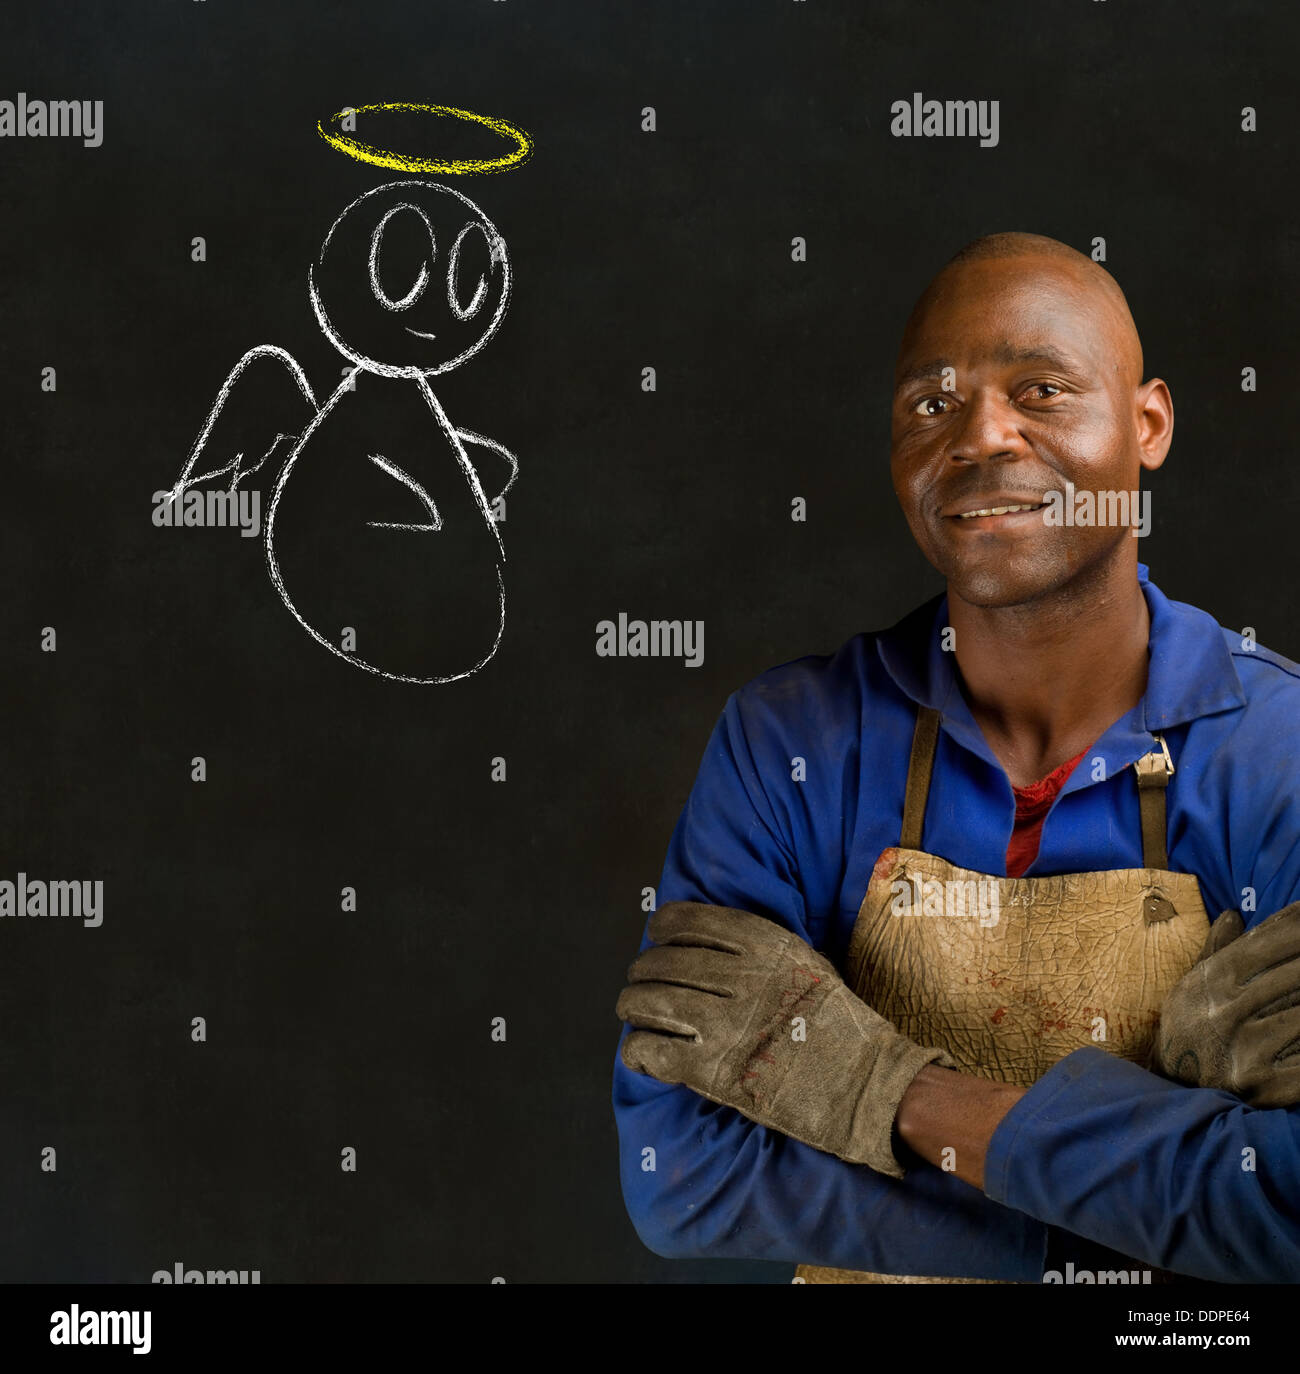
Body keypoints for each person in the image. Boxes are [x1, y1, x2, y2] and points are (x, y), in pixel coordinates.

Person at [612, 232, 1300, 1283]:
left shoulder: (1277, 751)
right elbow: (681, 1178)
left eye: (1041, 390)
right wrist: (1165, 1201)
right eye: (931, 404)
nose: (979, 434)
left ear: (1148, 424)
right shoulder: (789, 743)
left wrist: (887, 1091)